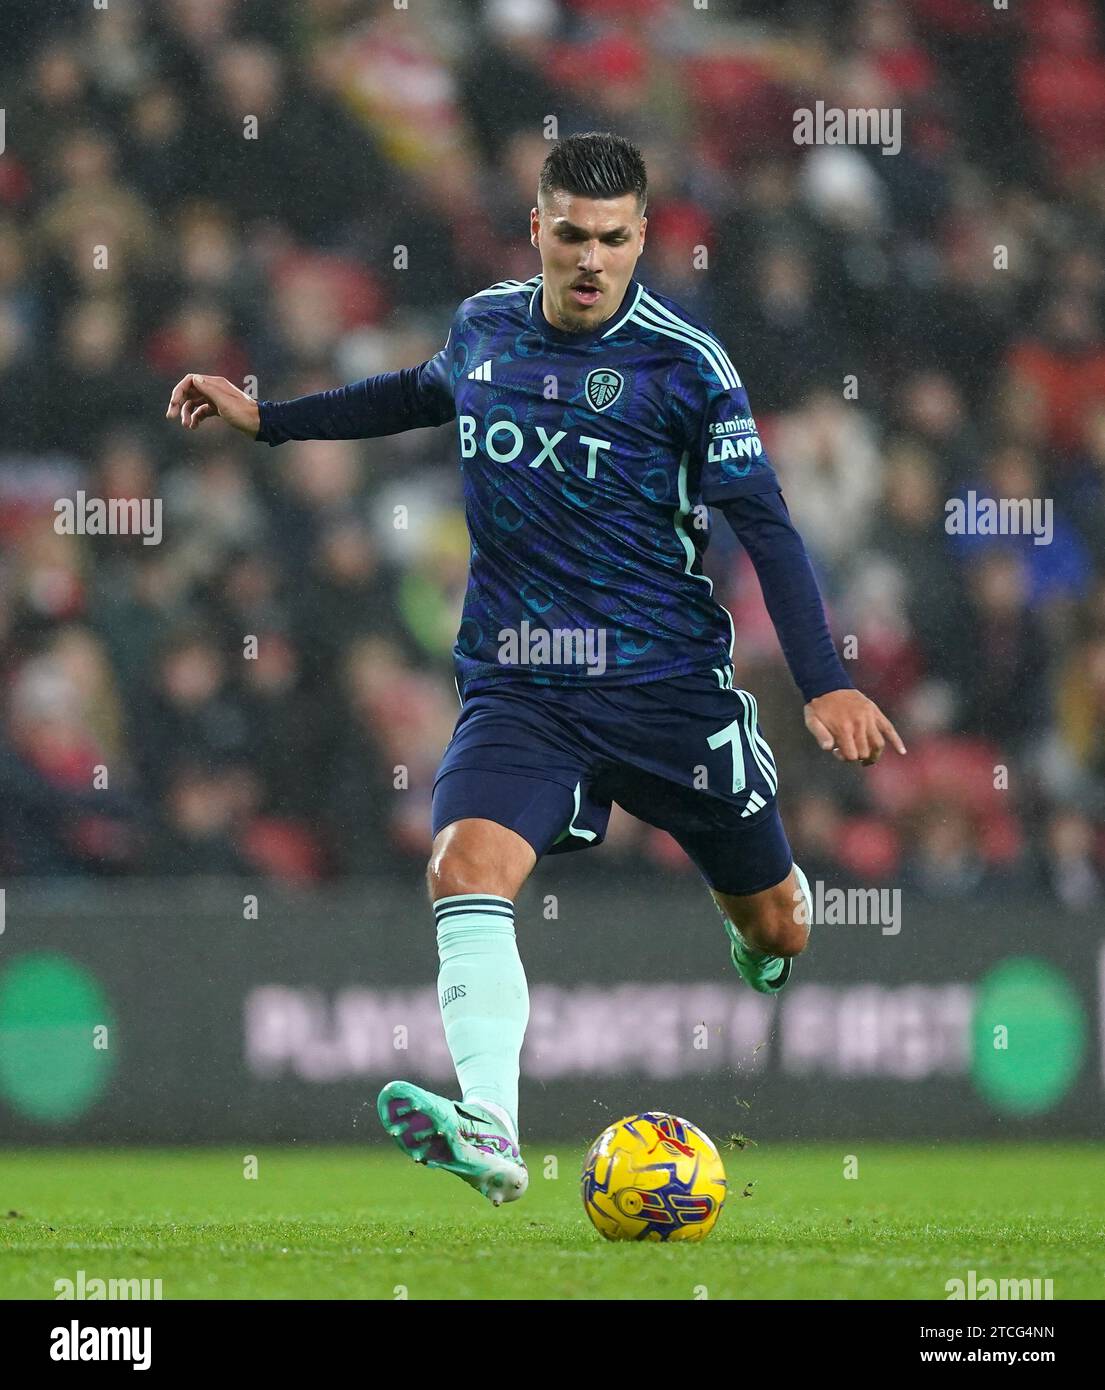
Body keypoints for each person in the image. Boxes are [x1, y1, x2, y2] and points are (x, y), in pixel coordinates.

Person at [167, 132, 905, 1208]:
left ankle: (771, 919)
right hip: (520, 687)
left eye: (613, 238)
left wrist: (824, 677)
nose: (591, 257)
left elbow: (770, 533)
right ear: (537, 232)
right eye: (570, 235)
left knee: (774, 927)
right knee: (462, 866)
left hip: (667, 694)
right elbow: (417, 394)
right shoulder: (482, 327)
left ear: (642, 238)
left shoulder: (687, 369)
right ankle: (492, 1131)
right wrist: (270, 421)